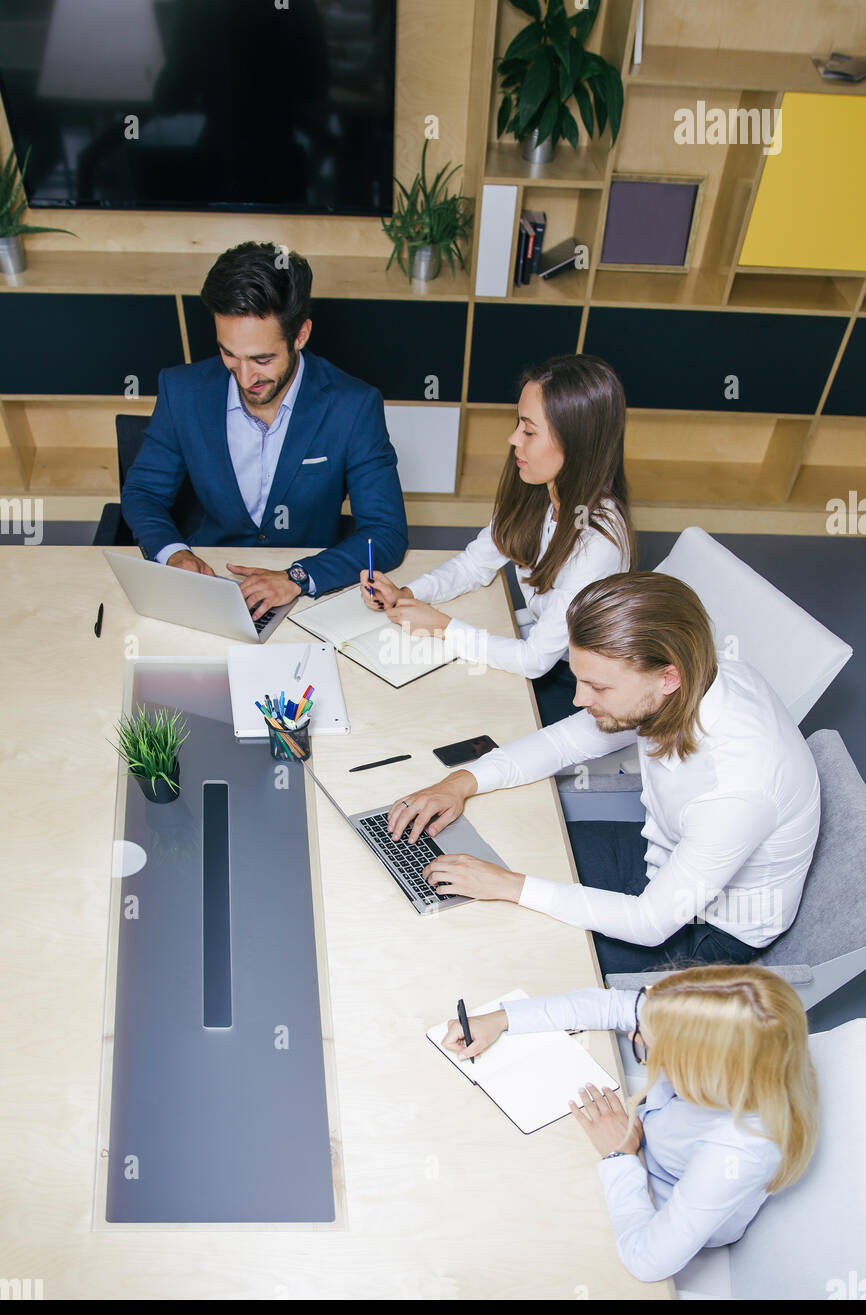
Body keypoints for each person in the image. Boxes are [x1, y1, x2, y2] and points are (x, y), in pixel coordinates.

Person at [387, 571, 821, 975]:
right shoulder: (692, 674)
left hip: (704, 929)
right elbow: (564, 742)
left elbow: (650, 922)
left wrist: (508, 885)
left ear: (669, 677)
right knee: (497, 850)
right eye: (580, 679)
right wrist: (458, 783)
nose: (578, 699)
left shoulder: (735, 789)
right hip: (661, 854)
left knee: (504, 950)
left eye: (599, 687)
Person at [441, 964, 818, 1283]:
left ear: (700, 1073)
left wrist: (621, 1156)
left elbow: (647, 1261)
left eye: (646, 1048)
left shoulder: (736, 1154)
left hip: (657, 1198)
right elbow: (611, 1006)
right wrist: (503, 1019)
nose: (635, 1036)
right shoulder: (728, 1040)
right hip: (641, 1140)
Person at [121, 242, 408, 618]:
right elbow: (143, 492)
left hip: (305, 592)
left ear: (301, 335)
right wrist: (173, 553)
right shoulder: (182, 391)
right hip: (210, 579)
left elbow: (385, 532)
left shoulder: (353, 405)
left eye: (262, 359)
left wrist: (298, 577)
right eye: (229, 354)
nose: (244, 377)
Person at [359, 355, 634, 725]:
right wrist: (411, 595)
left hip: (579, 684)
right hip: (541, 646)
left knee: (445, 710)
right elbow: (475, 563)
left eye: (529, 431)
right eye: (518, 424)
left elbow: (535, 661)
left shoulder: (598, 542)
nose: (512, 439)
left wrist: (440, 625)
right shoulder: (537, 489)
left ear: (577, 443)